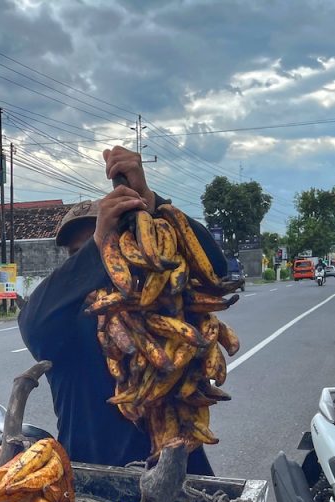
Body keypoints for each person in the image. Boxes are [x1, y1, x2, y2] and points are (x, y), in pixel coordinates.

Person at [18, 146, 227, 473]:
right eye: (79, 251)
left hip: (177, 471)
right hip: (95, 478)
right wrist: (98, 242)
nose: (102, 254)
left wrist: (153, 202)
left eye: (113, 241)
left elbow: (216, 272)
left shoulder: (163, 301)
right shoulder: (64, 319)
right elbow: (32, 325)